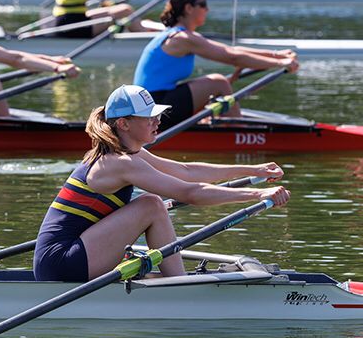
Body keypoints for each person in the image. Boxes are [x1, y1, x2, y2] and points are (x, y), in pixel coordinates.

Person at [33, 84, 290, 282]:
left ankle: (175, 281)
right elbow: (189, 192)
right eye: (148, 117)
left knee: (151, 205)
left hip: (70, 255)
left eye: (156, 115)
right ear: (123, 123)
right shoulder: (120, 162)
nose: (157, 121)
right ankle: (179, 287)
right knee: (151, 205)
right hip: (61, 262)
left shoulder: (127, 153)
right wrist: (257, 194)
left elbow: (185, 171)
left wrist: (253, 168)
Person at [133, 0, 300, 130]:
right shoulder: (182, 38)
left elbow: (232, 51)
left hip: (152, 105)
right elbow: (232, 57)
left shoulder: (178, 35)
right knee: (219, 82)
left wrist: (277, 56)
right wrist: (281, 63)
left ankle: (227, 123)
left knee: (220, 84)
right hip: (153, 109)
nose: (207, 9)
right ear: (188, 8)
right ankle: (238, 132)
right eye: (203, 4)